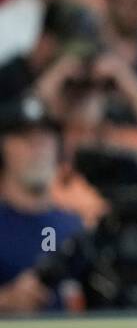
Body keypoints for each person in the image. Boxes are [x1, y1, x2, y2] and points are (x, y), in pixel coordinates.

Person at [0, 115, 82, 313]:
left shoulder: (75, 226)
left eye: (45, 139)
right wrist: (5, 300)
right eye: (26, 139)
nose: (37, 149)